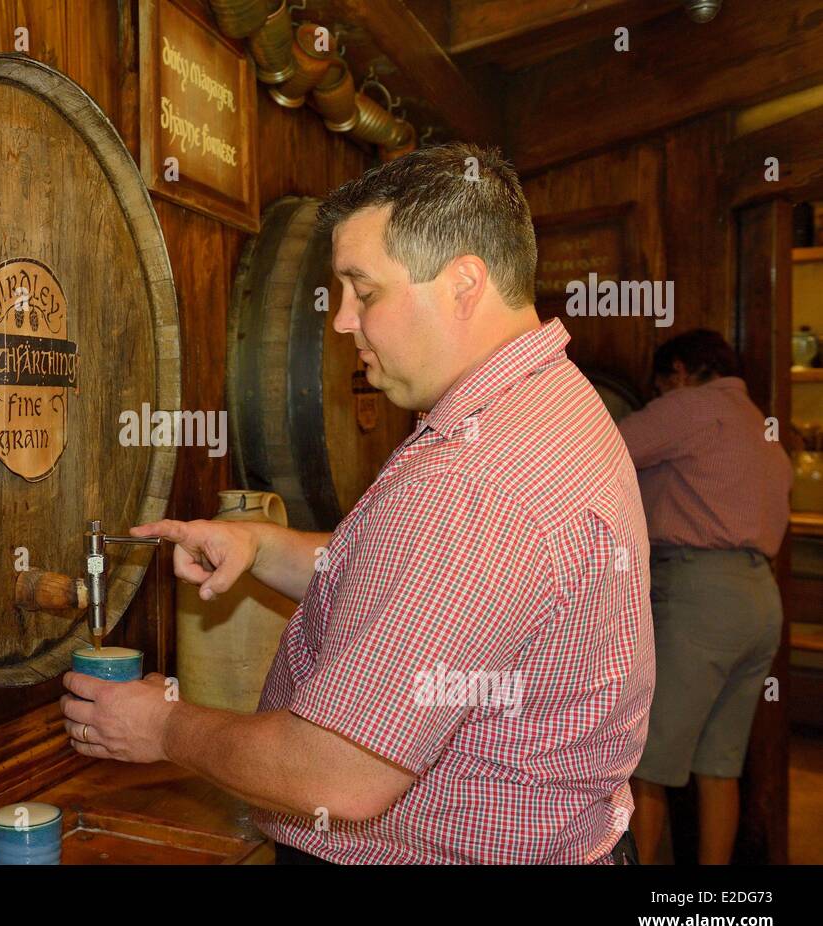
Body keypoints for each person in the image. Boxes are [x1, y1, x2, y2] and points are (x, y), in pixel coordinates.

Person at [58, 143, 654, 863]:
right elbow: (413, 589)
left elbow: (340, 772)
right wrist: (262, 546)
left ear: (465, 283)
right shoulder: (543, 402)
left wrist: (162, 725)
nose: (341, 321)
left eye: (363, 291)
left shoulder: (474, 481)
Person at [619, 330, 792, 864]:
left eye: (661, 384)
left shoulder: (692, 408)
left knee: (647, 764)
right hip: (761, 598)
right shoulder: (759, 424)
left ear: (681, 371)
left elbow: (601, 443)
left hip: (700, 596)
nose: (659, 396)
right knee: (719, 764)